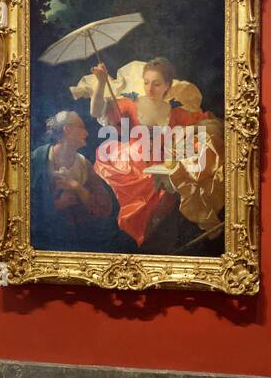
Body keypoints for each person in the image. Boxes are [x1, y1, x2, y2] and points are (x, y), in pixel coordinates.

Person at [88, 57, 216, 246]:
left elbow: (194, 132)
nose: (149, 89)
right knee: (145, 197)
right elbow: (95, 111)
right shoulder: (128, 105)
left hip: (161, 163)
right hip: (133, 164)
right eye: (146, 83)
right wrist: (101, 82)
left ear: (167, 85)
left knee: (172, 192)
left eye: (156, 84)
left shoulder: (175, 113)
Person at [30, 111, 134, 252]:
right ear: (68, 129)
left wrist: (76, 187)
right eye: (82, 128)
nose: (86, 133)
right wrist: (56, 205)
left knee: (125, 242)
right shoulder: (38, 158)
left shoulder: (84, 164)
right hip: (48, 235)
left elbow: (105, 208)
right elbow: (24, 207)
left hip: (80, 232)